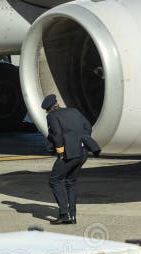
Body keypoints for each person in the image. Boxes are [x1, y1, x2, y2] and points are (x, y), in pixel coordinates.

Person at [42, 94, 100, 225]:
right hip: (82, 152)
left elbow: (57, 134)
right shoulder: (74, 111)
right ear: (57, 103)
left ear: (48, 109)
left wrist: (60, 152)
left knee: (54, 180)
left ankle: (64, 214)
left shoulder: (52, 116)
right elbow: (88, 127)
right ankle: (72, 215)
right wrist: (81, 142)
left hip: (69, 154)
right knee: (70, 182)